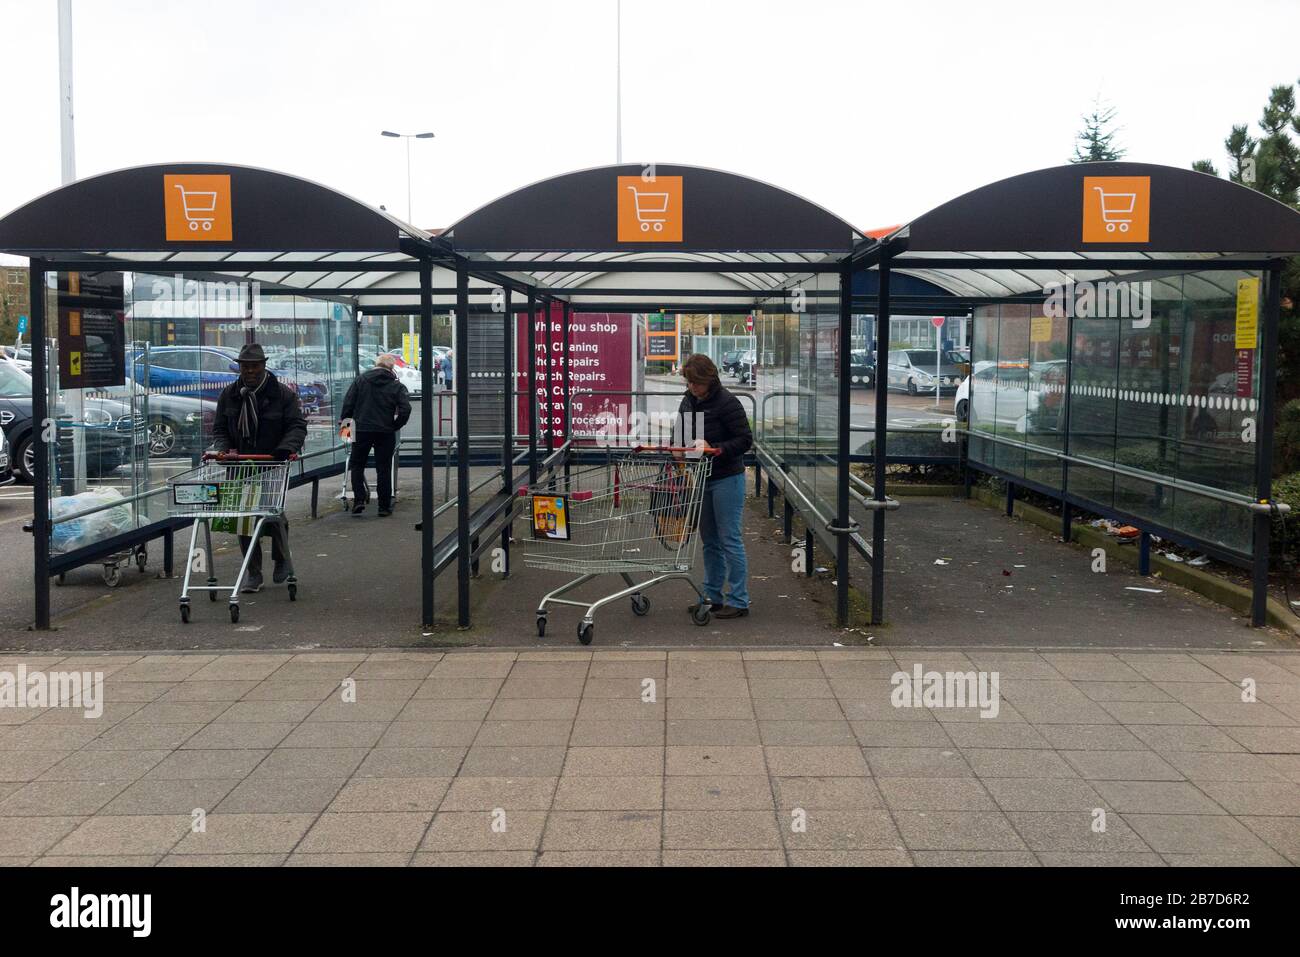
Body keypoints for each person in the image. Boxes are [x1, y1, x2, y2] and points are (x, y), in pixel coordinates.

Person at [210, 343, 307, 593]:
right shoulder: (230, 395)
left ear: (264, 366)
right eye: (245, 366)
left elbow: (297, 425)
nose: (249, 371)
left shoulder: (282, 395)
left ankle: (281, 558)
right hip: (240, 465)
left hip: (271, 464)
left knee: (273, 515)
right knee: (243, 520)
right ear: (239, 368)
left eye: (254, 366)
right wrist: (224, 449)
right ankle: (253, 573)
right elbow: (220, 428)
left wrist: (285, 449)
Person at [677, 353, 753, 619]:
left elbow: (744, 440)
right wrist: (678, 448)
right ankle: (712, 596)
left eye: (696, 383)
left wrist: (716, 449)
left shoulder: (727, 403)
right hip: (702, 476)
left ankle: (739, 599)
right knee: (709, 540)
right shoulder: (688, 401)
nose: (692, 388)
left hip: (726, 476)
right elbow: (682, 435)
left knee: (729, 538)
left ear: (709, 379)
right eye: (688, 383)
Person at [340, 353, 411, 516]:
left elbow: (348, 405)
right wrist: (395, 425)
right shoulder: (396, 385)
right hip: (385, 431)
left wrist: (345, 433)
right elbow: (406, 409)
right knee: (383, 468)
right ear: (392, 368)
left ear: (376, 364)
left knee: (357, 465)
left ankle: (358, 500)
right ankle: (384, 507)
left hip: (362, 429)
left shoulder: (361, 380)